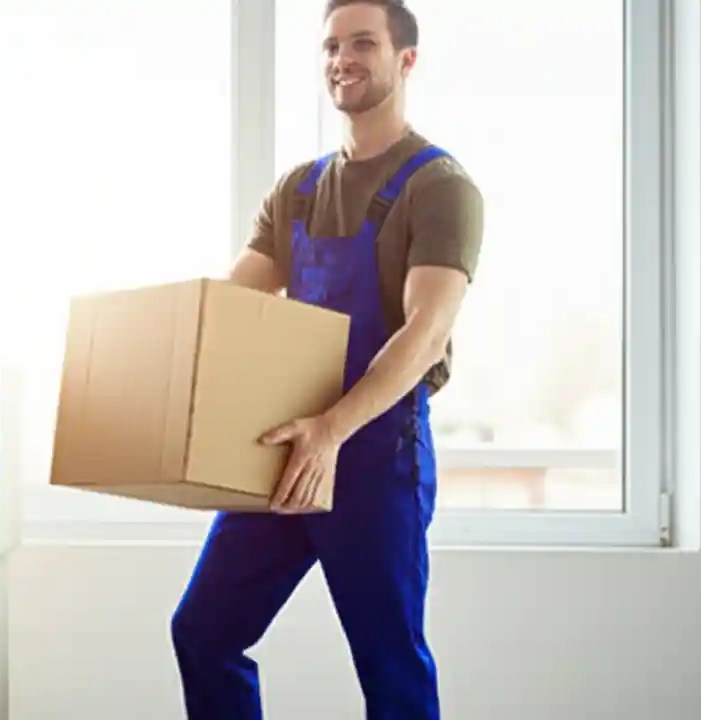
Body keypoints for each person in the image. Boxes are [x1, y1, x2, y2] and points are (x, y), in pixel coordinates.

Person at [169, 1, 483, 718]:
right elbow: (233, 305)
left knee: (389, 667)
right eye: (332, 45)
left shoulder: (441, 189)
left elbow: (425, 333)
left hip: (374, 456)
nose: (343, 58)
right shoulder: (299, 189)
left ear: (406, 60)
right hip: (286, 447)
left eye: (364, 43)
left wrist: (333, 430)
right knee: (203, 631)